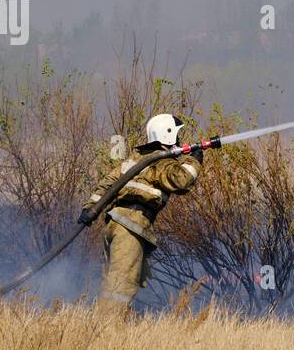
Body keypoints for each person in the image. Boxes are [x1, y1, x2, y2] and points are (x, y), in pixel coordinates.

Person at [78, 113, 202, 311]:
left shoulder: (136, 159)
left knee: (114, 280)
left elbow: (107, 184)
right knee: (121, 286)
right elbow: (181, 180)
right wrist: (194, 160)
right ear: (168, 135)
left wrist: (89, 209)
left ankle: (109, 326)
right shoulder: (161, 162)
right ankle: (108, 330)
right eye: (177, 136)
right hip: (131, 226)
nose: (179, 141)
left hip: (115, 224)